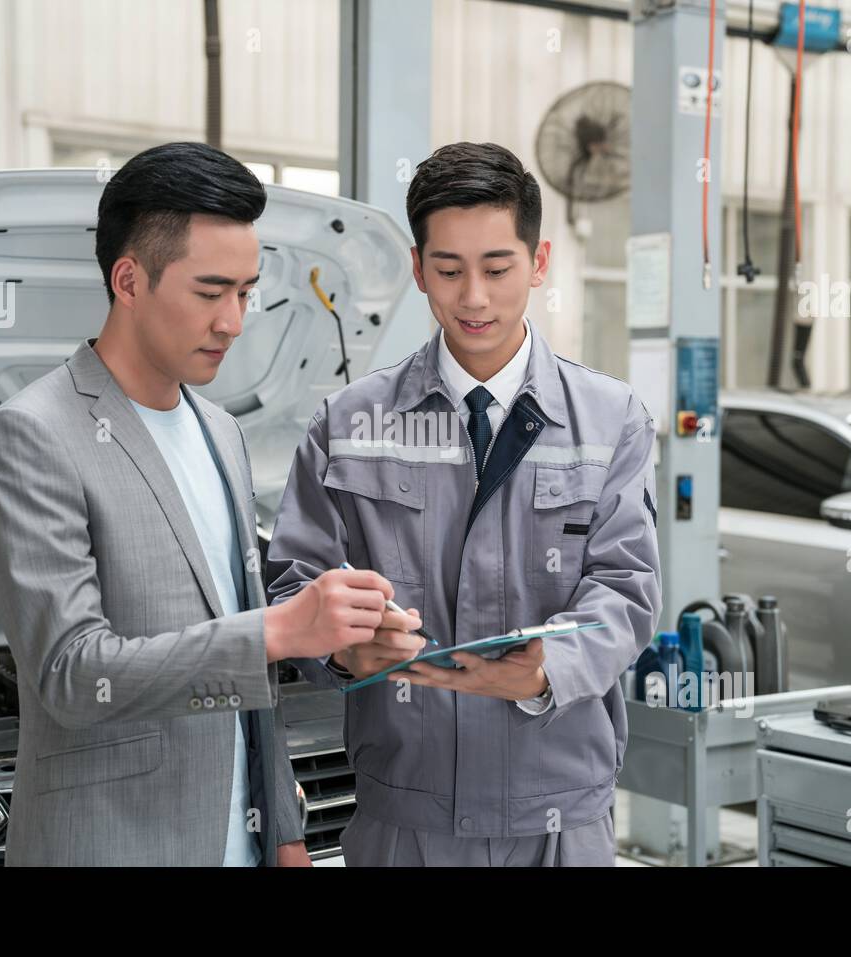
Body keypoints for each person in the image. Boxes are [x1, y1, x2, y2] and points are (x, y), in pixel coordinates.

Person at [0, 142, 393, 866]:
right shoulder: (31, 436)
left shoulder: (222, 433)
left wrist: (284, 828)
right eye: (210, 290)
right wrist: (276, 631)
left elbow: (248, 673)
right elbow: (73, 672)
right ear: (129, 279)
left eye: (247, 291)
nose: (234, 320)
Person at [266, 141, 662, 866]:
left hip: (559, 820)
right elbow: (295, 580)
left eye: (497, 267)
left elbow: (628, 588)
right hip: (404, 821)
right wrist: (347, 648)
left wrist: (550, 666)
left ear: (539, 262)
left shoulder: (612, 420)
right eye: (448, 270)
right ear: (418, 269)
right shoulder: (350, 424)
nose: (473, 296)